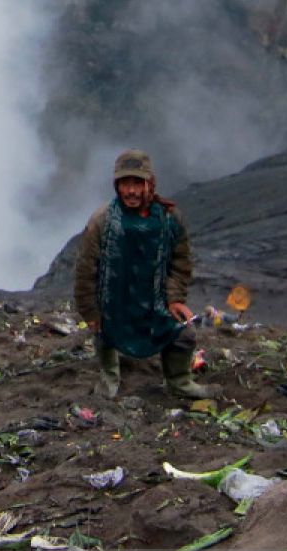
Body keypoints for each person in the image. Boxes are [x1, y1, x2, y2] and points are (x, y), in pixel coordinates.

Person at [74, 149, 218, 400]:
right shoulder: (103, 221)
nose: (131, 191)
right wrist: (90, 312)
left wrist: (174, 299)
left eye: (137, 183)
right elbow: (86, 269)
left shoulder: (169, 219)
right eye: (125, 184)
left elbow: (180, 262)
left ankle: (179, 382)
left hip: (154, 301)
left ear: (149, 184)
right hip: (114, 303)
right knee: (105, 332)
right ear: (117, 186)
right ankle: (109, 380)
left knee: (183, 332)